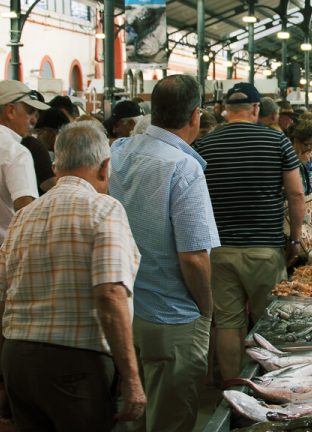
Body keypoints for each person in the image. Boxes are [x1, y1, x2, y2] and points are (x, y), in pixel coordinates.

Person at [0, 121, 145, 430]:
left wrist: (1, 381)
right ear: (105, 166)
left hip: (17, 359)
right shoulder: (104, 210)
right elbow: (111, 295)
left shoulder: (22, 217)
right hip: (75, 364)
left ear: (57, 165)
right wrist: (132, 379)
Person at [109, 75, 220, 432]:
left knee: (133, 415)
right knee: (171, 419)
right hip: (171, 317)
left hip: (124, 308)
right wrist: (206, 308)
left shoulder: (118, 152)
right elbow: (193, 256)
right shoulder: (184, 167)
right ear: (195, 116)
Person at [196, 83, 304, 387]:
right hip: (265, 249)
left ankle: (233, 390)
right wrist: (295, 238)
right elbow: (296, 194)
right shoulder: (276, 140)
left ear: (225, 110)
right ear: (256, 109)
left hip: (219, 250)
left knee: (228, 323)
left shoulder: (205, 145)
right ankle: (272, 385)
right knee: (268, 322)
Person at [0, 80, 47, 297]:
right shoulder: (14, 152)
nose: (33, 119)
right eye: (29, 111)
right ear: (11, 110)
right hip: (1, 258)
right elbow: (26, 211)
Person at [286, 122, 312, 255]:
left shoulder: (310, 160)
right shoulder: (288, 161)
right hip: (293, 217)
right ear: (295, 141)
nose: (309, 148)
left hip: (309, 214)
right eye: (306, 144)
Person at [22, 107, 69, 194]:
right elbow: (49, 184)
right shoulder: (35, 147)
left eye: (40, 132)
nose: (38, 136)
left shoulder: (31, 144)